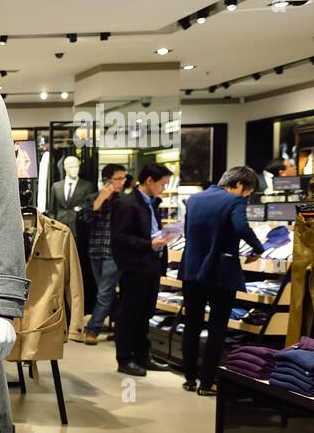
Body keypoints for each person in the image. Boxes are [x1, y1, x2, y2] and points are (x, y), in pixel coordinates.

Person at [179, 166, 264, 395]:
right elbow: (241, 227)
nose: (246, 197)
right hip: (220, 271)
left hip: (192, 268)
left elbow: (188, 232)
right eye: (247, 192)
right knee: (217, 328)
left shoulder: (194, 199)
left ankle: (189, 378)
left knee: (192, 324)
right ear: (239, 185)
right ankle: (207, 383)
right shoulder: (233, 201)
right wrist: (258, 247)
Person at [111, 162, 173, 376]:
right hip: (134, 266)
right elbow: (119, 238)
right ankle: (125, 359)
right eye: (162, 184)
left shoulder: (152, 203)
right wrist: (149, 244)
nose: (164, 189)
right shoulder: (127, 204)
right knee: (129, 313)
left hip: (152, 264)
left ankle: (142, 356)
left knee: (145, 313)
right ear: (149, 181)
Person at [80, 163, 127, 344]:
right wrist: (100, 200)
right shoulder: (93, 197)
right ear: (107, 179)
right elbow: (85, 219)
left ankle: (92, 329)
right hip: (95, 250)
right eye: (118, 178)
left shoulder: (123, 201)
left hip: (114, 253)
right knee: (105, 292)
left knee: (105, 293)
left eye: (123, 178)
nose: (121, 182)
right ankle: (120, 327)